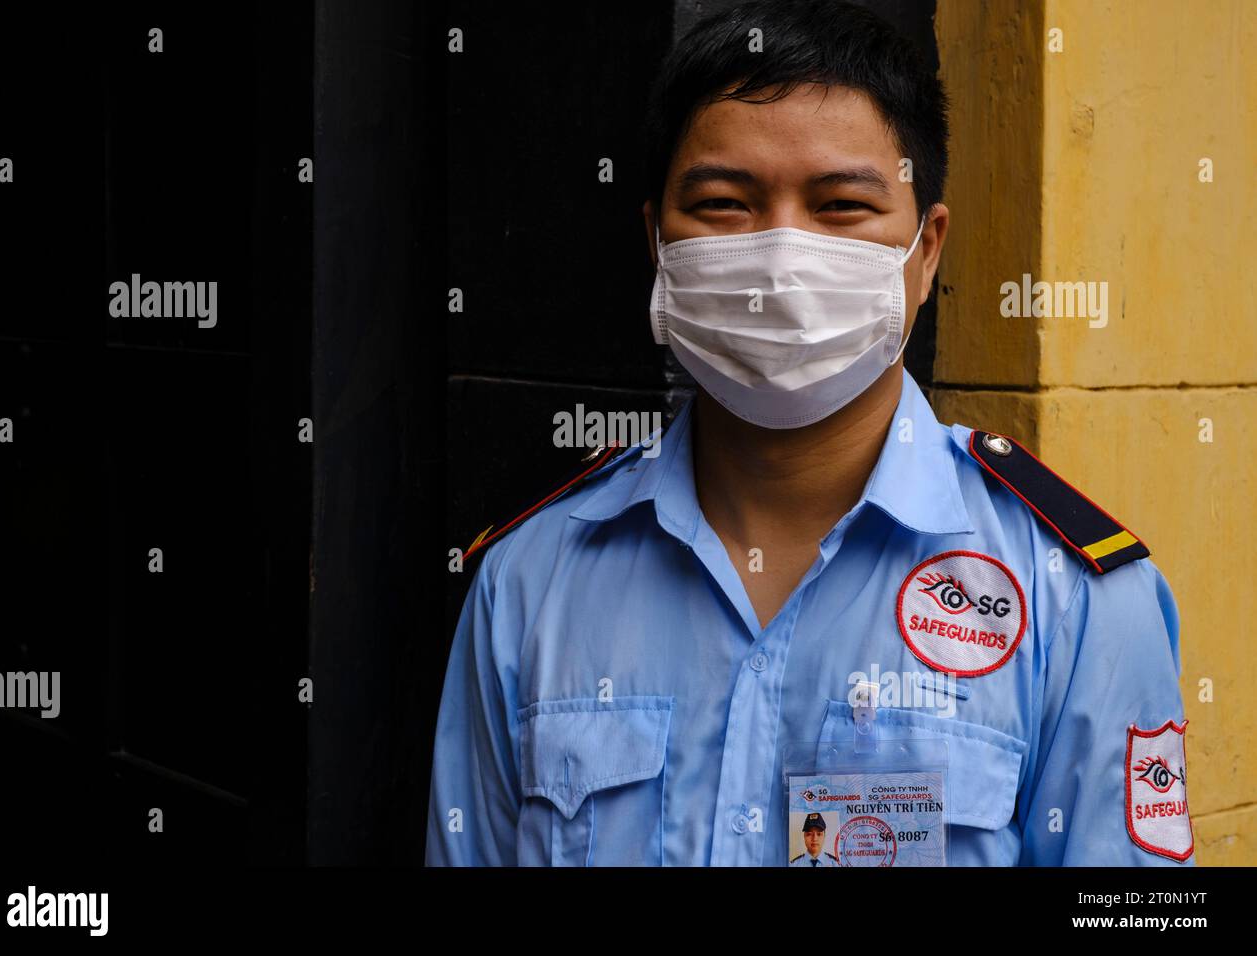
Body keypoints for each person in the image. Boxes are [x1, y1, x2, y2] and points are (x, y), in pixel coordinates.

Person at [426, 0, 1192, 867]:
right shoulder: (528, 582)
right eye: (724, 202)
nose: (781, 258)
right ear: (656, 242)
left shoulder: (1077, 599)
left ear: (927, 251)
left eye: (840, 205)